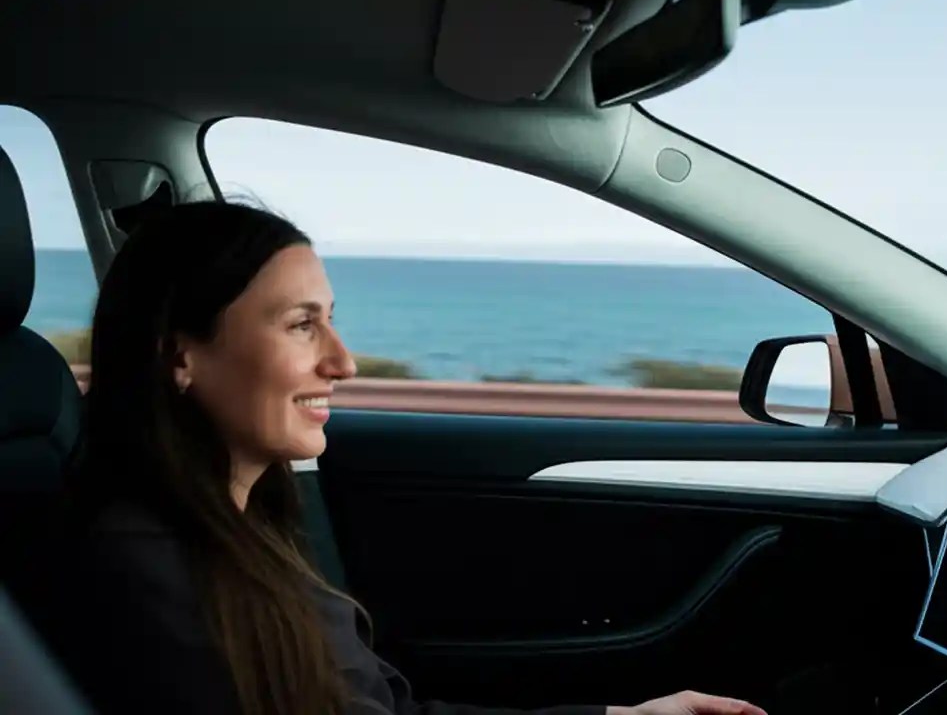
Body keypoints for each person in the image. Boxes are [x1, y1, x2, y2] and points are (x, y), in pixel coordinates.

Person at [46, 201, 767, 715]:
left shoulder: (238, 530)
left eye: (333, 320)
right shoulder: (145, 575)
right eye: (302, 325)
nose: (343, 360)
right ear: (181, 355)